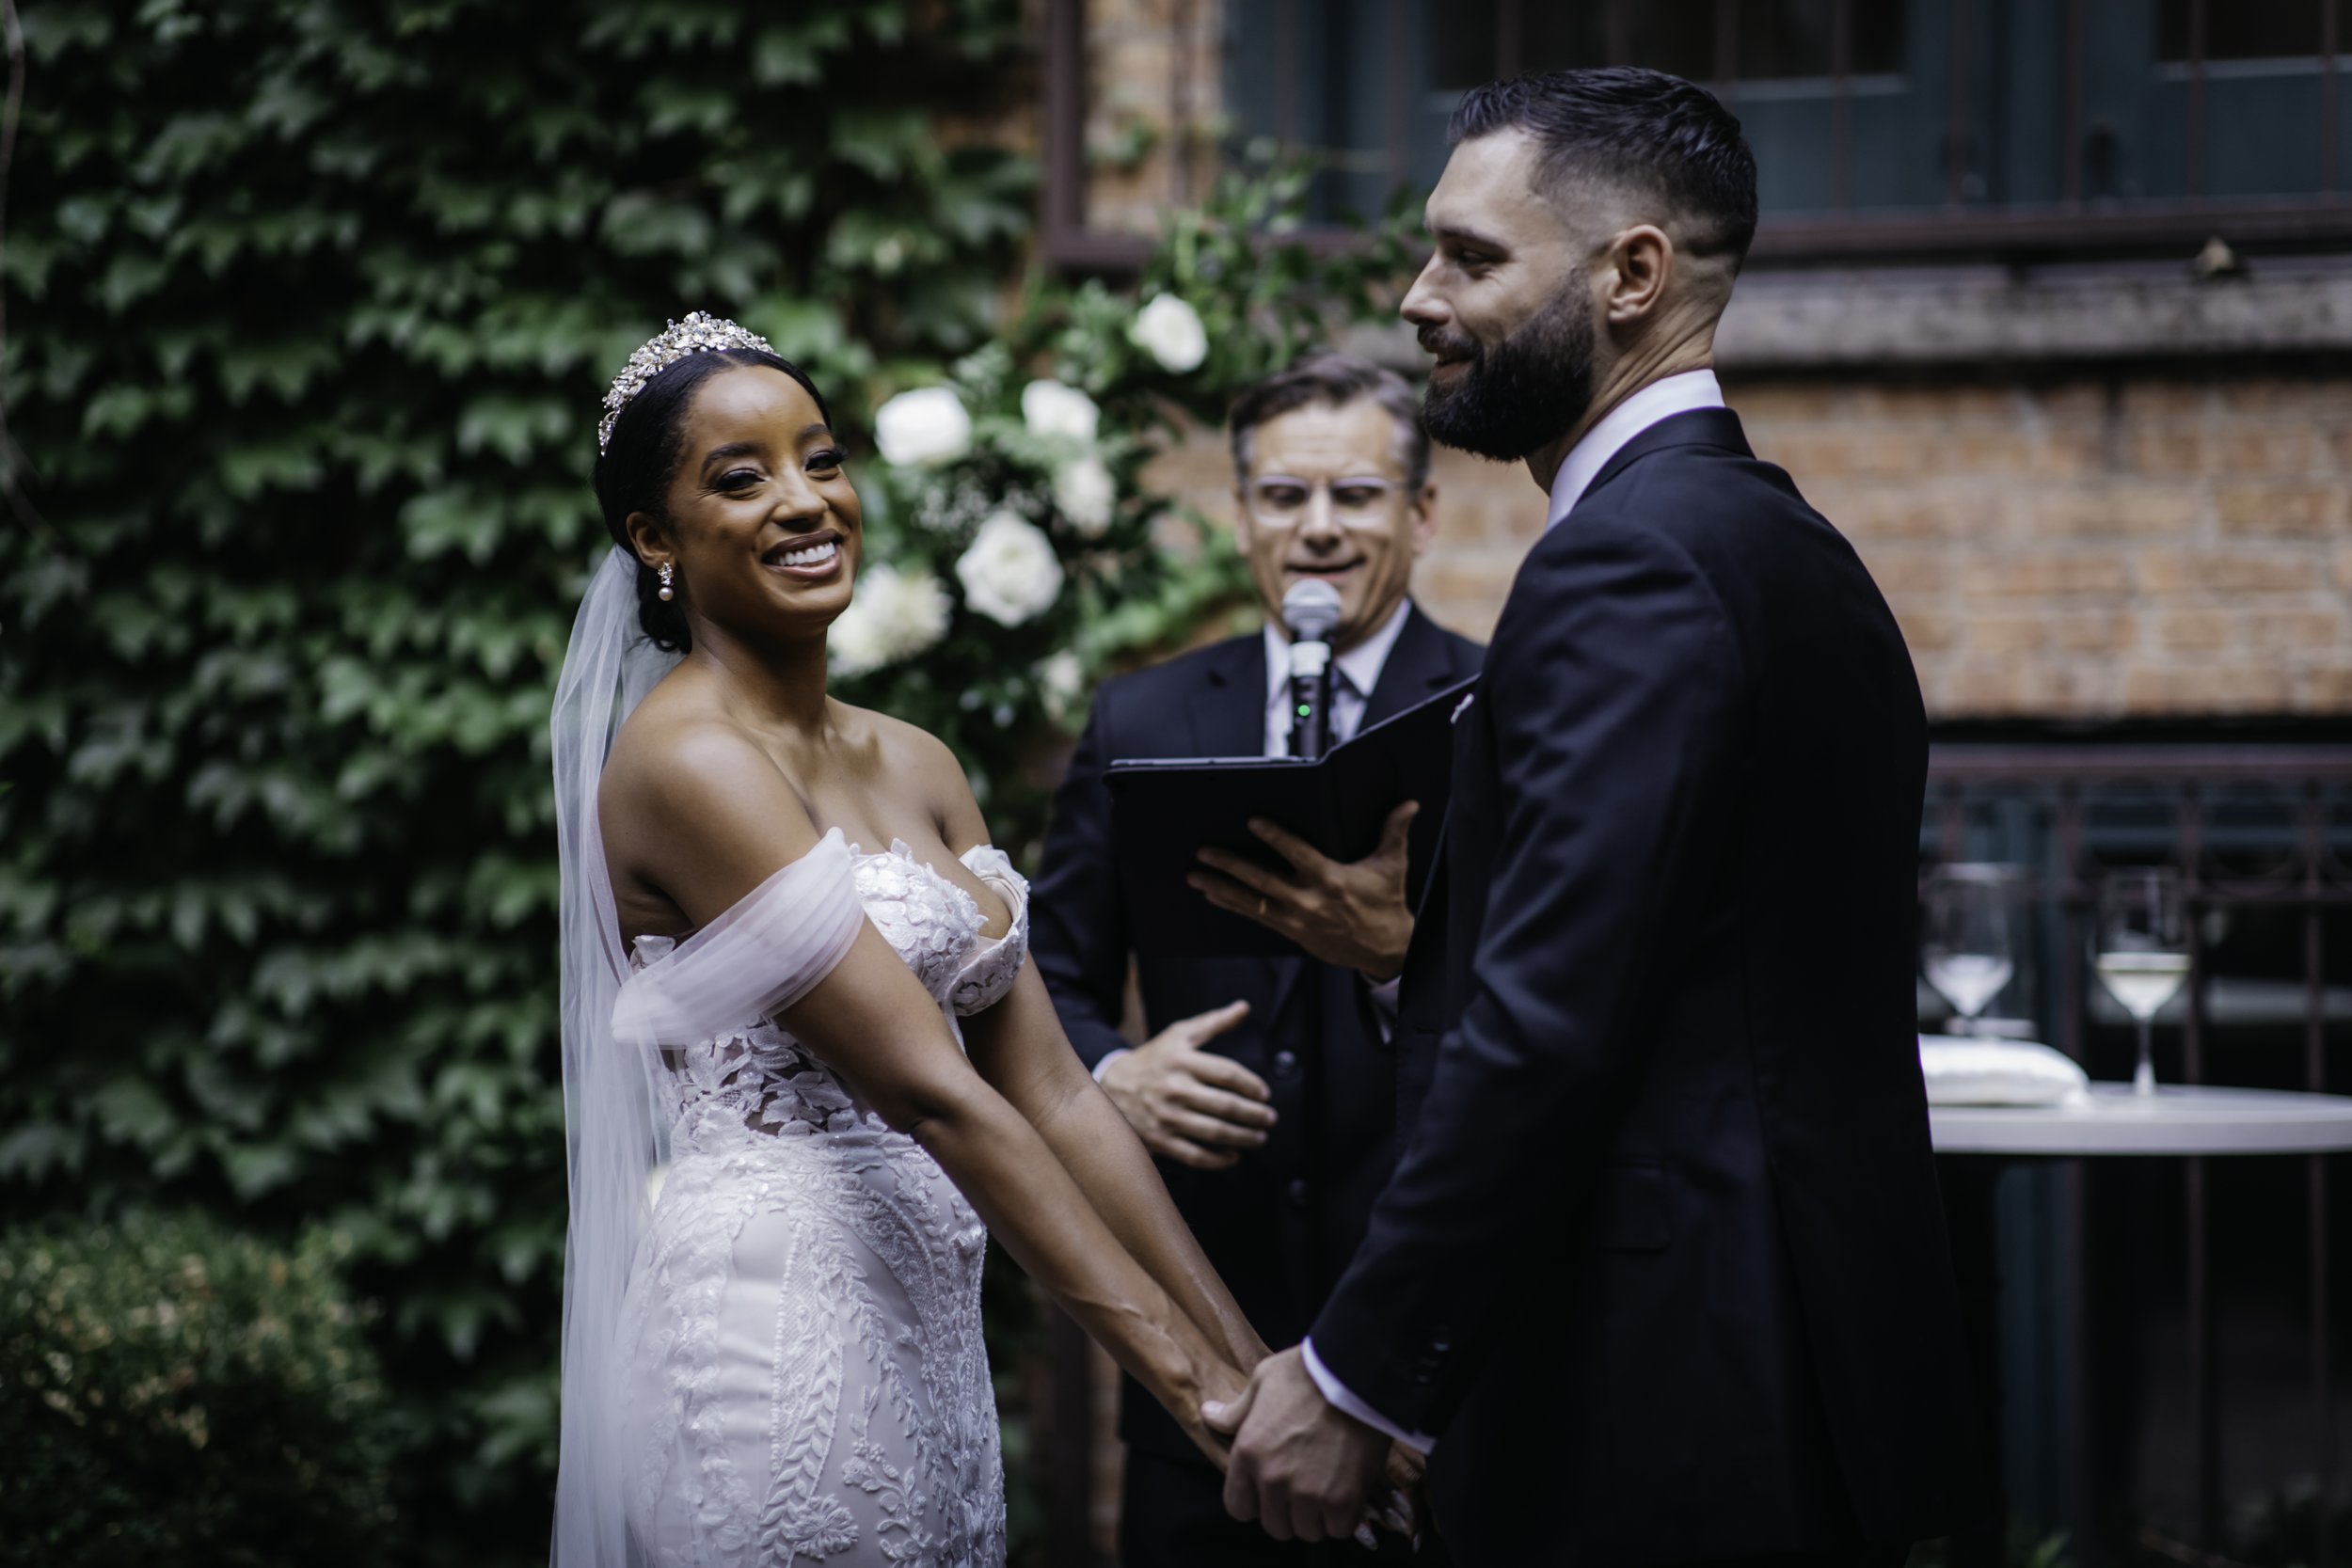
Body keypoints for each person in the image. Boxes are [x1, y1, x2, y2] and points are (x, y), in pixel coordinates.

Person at [1209, 71, 1981, 1567]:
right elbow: (1704, 970)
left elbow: (1554, 1023)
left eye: (1471, 257)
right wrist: (1411, 949)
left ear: (1633, 275)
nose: (1420, 298)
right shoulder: (1791, 547)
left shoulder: (1627, 565)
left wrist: (1360, 1371)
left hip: (1668, 1393)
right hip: (1794, 1367)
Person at [548, 314, 1271, 1568]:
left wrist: (1255, 1372)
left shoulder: (919, 761)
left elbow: (1053, 1091)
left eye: (821, 459)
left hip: (931, 1331)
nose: (805, 500)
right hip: (777, 1338)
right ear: (654, 540)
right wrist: (1193, 1396)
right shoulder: (688, 764)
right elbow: (939, 1095)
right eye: (742, 477)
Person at [1031, 352, 1483, 1567]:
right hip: (1203, 1386)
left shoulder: (1495, 707)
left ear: (1421, 514)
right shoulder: (1141, 717)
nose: (1317, 527)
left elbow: (1553, 1007)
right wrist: (1113, 1075)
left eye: (1356, 495)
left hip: (1438, 1384)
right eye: (1284, 496)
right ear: (1241, 519)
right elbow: (1040, 977)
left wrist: (1399, 966)